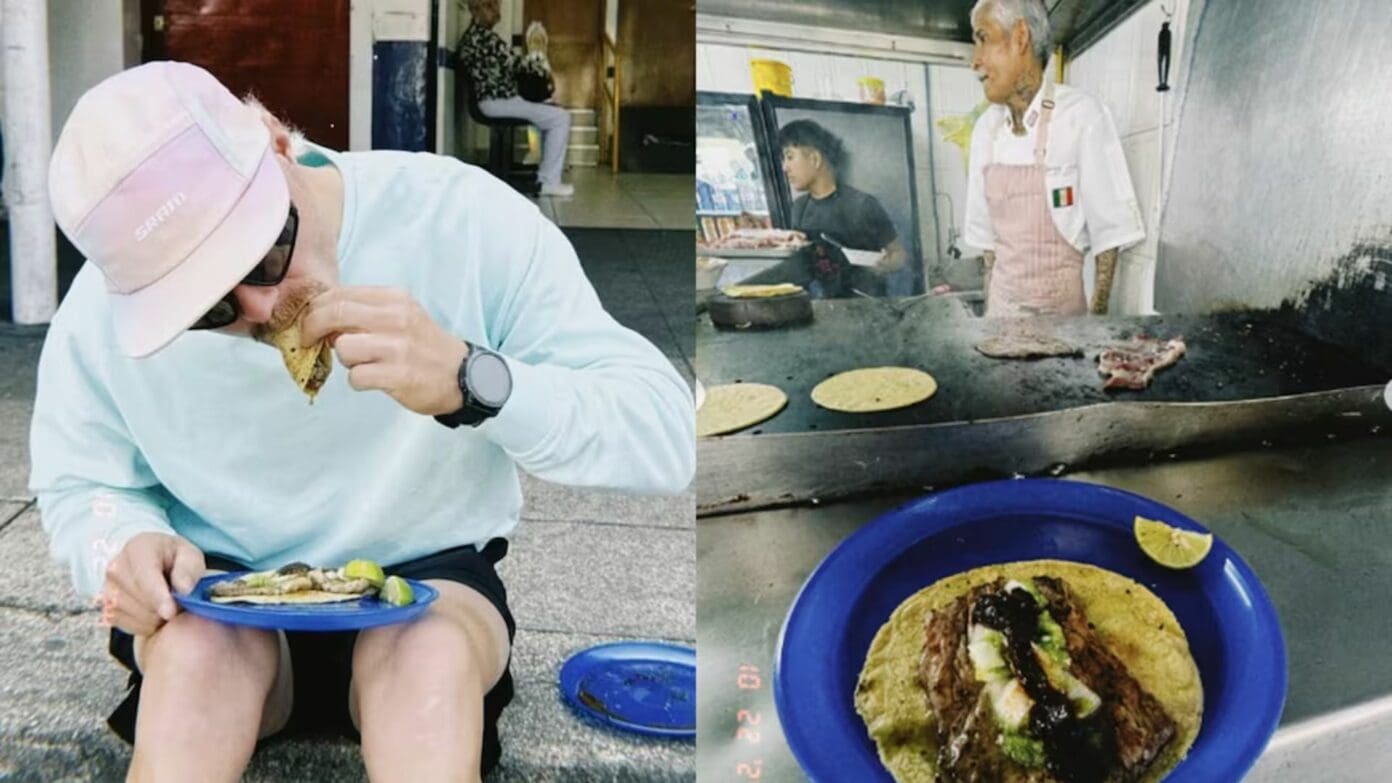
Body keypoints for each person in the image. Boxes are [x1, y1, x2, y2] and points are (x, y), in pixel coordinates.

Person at [30, 61, 692, 782]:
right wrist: (120, 545)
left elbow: (664, 430)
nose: (262, 308)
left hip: (430, 580)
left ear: (276, 141)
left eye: (263, 249)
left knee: (425, 660)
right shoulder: (101, 312)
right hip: (215, 585)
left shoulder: (462, 218)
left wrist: (471, 381)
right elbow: (80, 479)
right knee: (196, 657)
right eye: (205, 308)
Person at [964, 0, 1145, 317]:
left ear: (1020, 37)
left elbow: (1110, 235)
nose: (975, 62)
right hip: (1002, 318)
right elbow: (988, 248)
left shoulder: (1081, 116)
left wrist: (1095, 322)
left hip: (1064, 324)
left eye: (983, 39)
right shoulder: (985, 130)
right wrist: (989, 322)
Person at [746, 120, 907, 299]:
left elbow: (899, 255)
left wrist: (886, 264)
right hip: (825, 304)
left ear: (815, 159)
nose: (785, 168)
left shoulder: (862, 204)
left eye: (790, 157)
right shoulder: (800, 208)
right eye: (784, 159)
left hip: (867, 306)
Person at [459, 0, 574, 197]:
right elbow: (518, 67)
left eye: (496, 6)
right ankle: (548, 182)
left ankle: (545, 176)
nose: (496, 12)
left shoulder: (474, 38)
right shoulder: (485, 39)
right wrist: (542, 67)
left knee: (551, 114)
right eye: (489, 6)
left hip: (495, 100)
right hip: (497, 102)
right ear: (475, 10)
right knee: (560, 118)